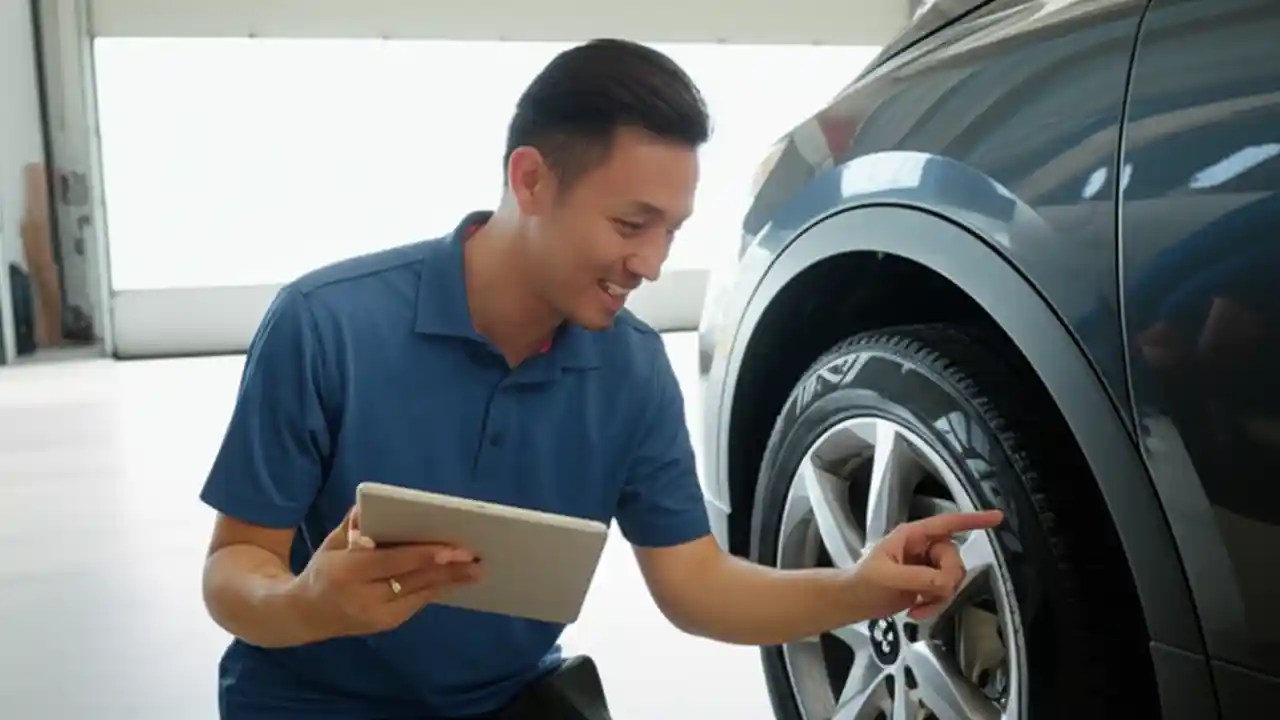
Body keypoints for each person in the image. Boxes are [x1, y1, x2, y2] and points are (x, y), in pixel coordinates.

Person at [198, 38, 1004, 719]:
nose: (651, 264)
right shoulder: (324, 324)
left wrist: (862, 589)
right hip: (309, 700)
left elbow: (694, 583)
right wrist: (309, 603)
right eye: (630, 224)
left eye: (670, 231)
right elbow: (233, 571)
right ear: (530, 179)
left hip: (506, 701)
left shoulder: (630, 367)